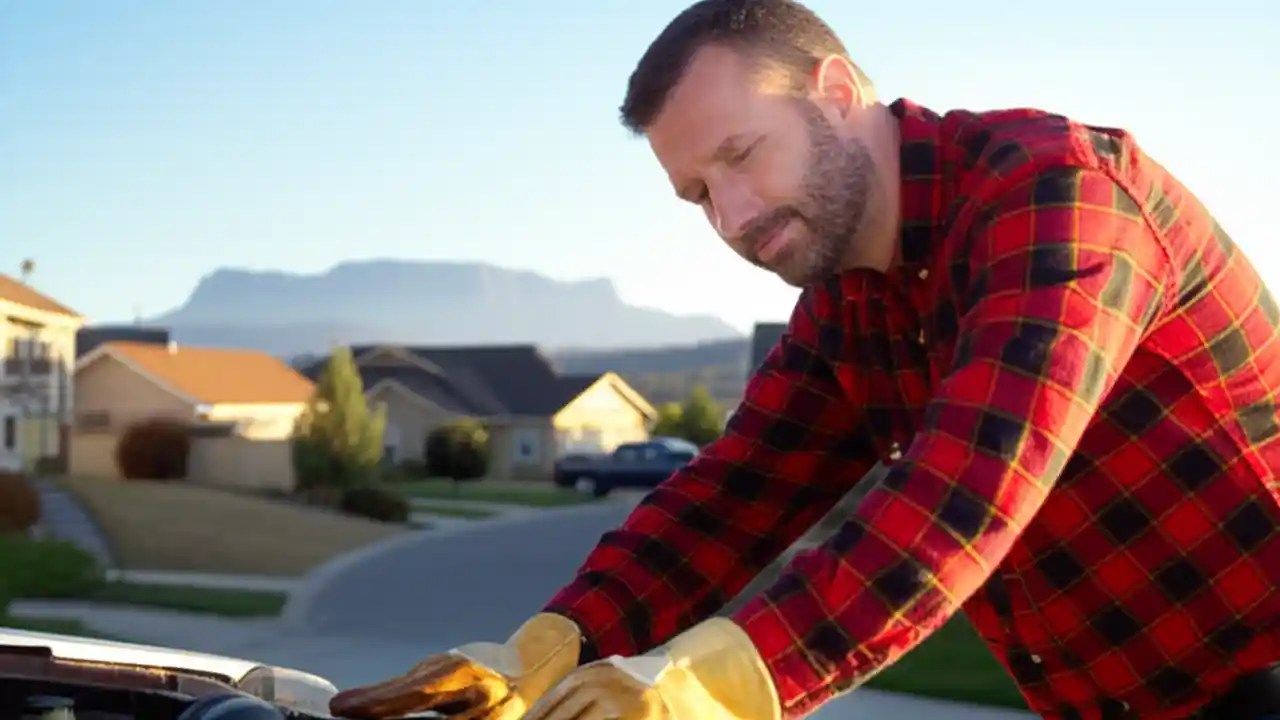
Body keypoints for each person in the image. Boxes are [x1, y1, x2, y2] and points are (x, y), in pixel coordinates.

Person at [328, 0, 1280, 718]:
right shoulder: (845, 301)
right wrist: (550, 646)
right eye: (698, 192)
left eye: (743, 155)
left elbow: (959, 499)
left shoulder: (1059, 197)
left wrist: (704, 687)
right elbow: (727, 500)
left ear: (835, 91)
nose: (734, 217)